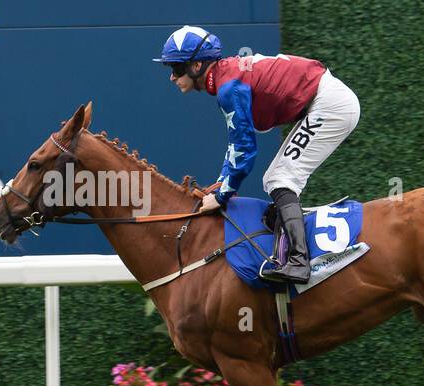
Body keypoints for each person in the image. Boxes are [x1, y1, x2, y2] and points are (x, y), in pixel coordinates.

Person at [153, 25, 360, 283]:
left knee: (280, 179)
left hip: (330, 105)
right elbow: (235, 145)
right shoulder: (224, 78)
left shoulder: (228, 88)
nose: (172, 77)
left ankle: (298, 262)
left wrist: (222, 195)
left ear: (196, 66)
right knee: (274, 178)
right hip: (325, 100)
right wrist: (221, 185)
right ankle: (291, 240)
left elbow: (244, 150)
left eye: (176, 68)